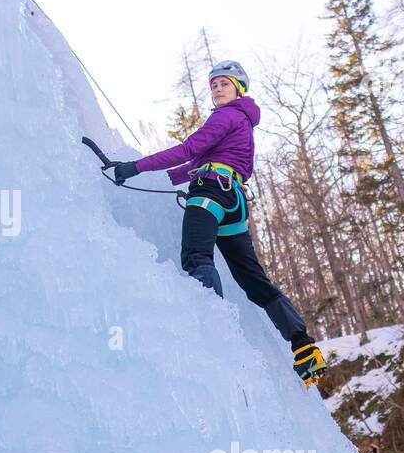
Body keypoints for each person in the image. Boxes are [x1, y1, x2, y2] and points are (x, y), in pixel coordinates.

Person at [111, 60, 328, 386]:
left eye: (224, 83)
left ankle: (214, 332)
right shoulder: (242, 123)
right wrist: (139, 170)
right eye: (213, 84)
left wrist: (136, 167)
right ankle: (304, 346)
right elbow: (189, 166)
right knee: (253, 280)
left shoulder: (226, 116)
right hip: (233, 201)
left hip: (211, 192)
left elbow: (188, 149)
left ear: (238, 88)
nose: (217, 88)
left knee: (196, 257)